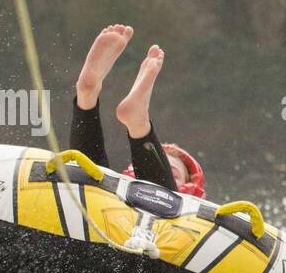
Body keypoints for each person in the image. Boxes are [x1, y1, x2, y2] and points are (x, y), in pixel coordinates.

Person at [68, 24, 205, 196]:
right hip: (112, 207)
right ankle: (135, 123)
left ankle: (86, 99)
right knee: (94, 180)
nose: (170, 174)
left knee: (92, 183)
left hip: (108, 207)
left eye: (174, 176)